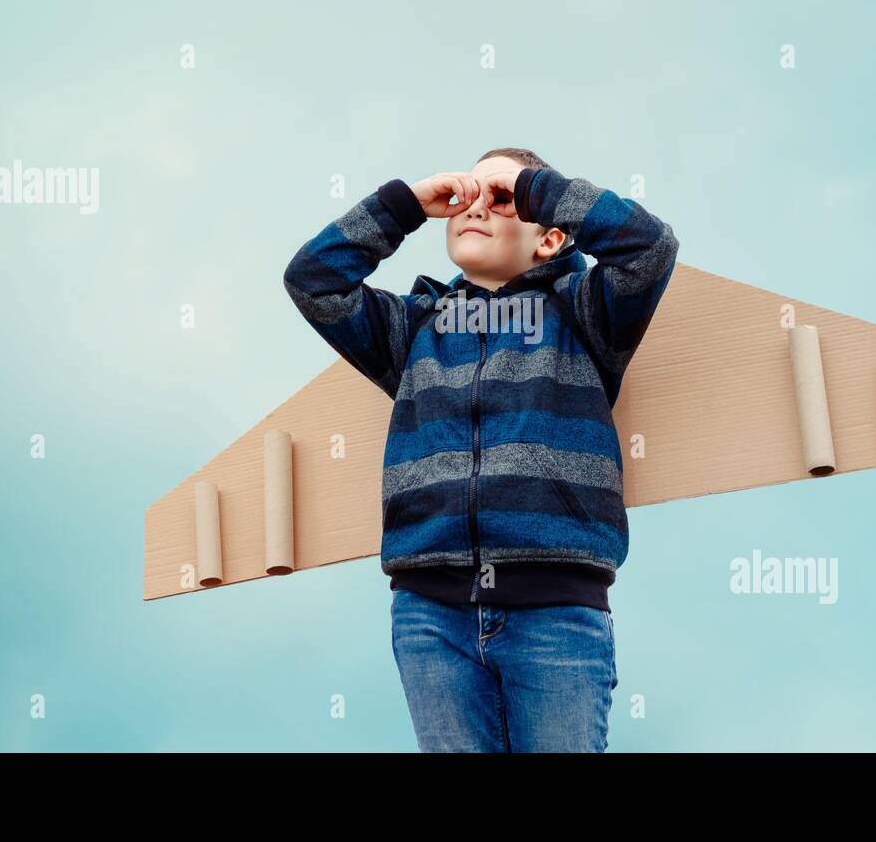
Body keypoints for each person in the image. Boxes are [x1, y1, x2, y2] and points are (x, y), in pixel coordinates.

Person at [283, 147, 679, 751]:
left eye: (501, 200)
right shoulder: (412, 329)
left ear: (548, 240)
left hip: (556, 612)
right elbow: (313, 279)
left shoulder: (584, 313)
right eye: (468, 197)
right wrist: (405, 206)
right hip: (430, 613)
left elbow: (649, 249)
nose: (476, 208)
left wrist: (536, 188)